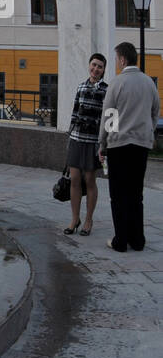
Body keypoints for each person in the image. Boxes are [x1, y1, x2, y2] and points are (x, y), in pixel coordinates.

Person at [98, 42, 160, 252]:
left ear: (123, 59)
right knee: (136, 194)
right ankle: (137, 240)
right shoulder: (149, 83)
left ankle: (120, 241)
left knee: (118, 194)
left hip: (119, 145)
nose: (116, 63)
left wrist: (102, 142)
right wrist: (146, 132)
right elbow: (155, 112)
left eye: (116, 59)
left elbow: (108, 115)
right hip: (140, 145)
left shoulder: (117, 83)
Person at [64, 53, 108, 235]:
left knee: (90, 180)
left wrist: (103, 144)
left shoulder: (106, 89)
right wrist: (70, 136)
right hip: (77, 138)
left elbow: (106, 118)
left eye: (99, 66)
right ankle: (75, 219)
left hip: (93, 141)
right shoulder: (81, 87)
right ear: (89, 65)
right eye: (93, 65)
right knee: (74, 179)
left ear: (104, 70)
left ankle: (88, 220)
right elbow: (74, 113)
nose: (95, 69)